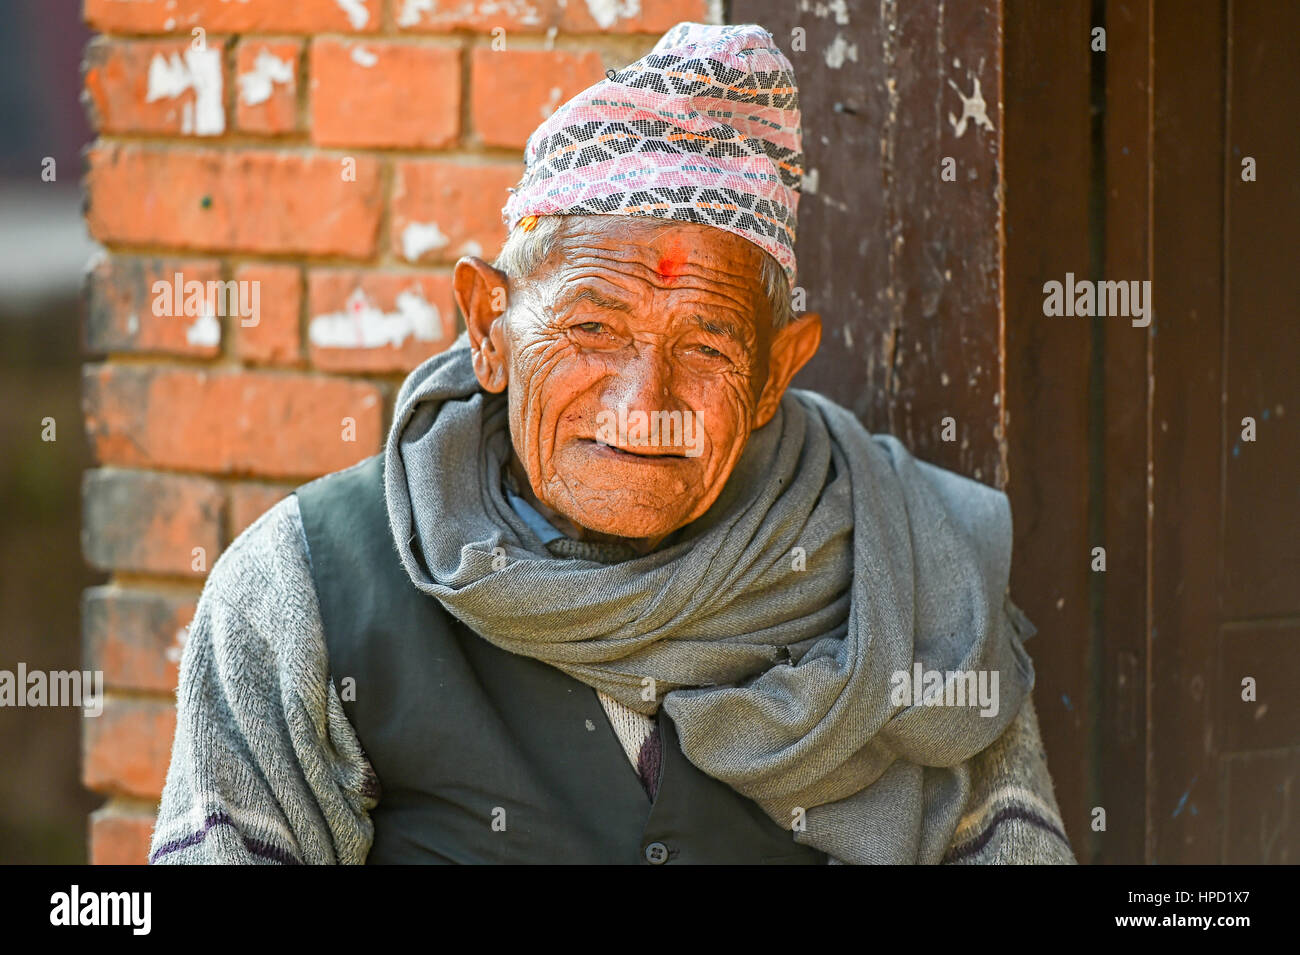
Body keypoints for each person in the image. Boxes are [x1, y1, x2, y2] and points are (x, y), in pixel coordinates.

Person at [149, 22, 1074, 865]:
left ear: (774, 375)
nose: (646, 403)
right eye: (594, 329)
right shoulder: (305, 590)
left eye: (706, 344)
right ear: (488, 326)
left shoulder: (918, 587)